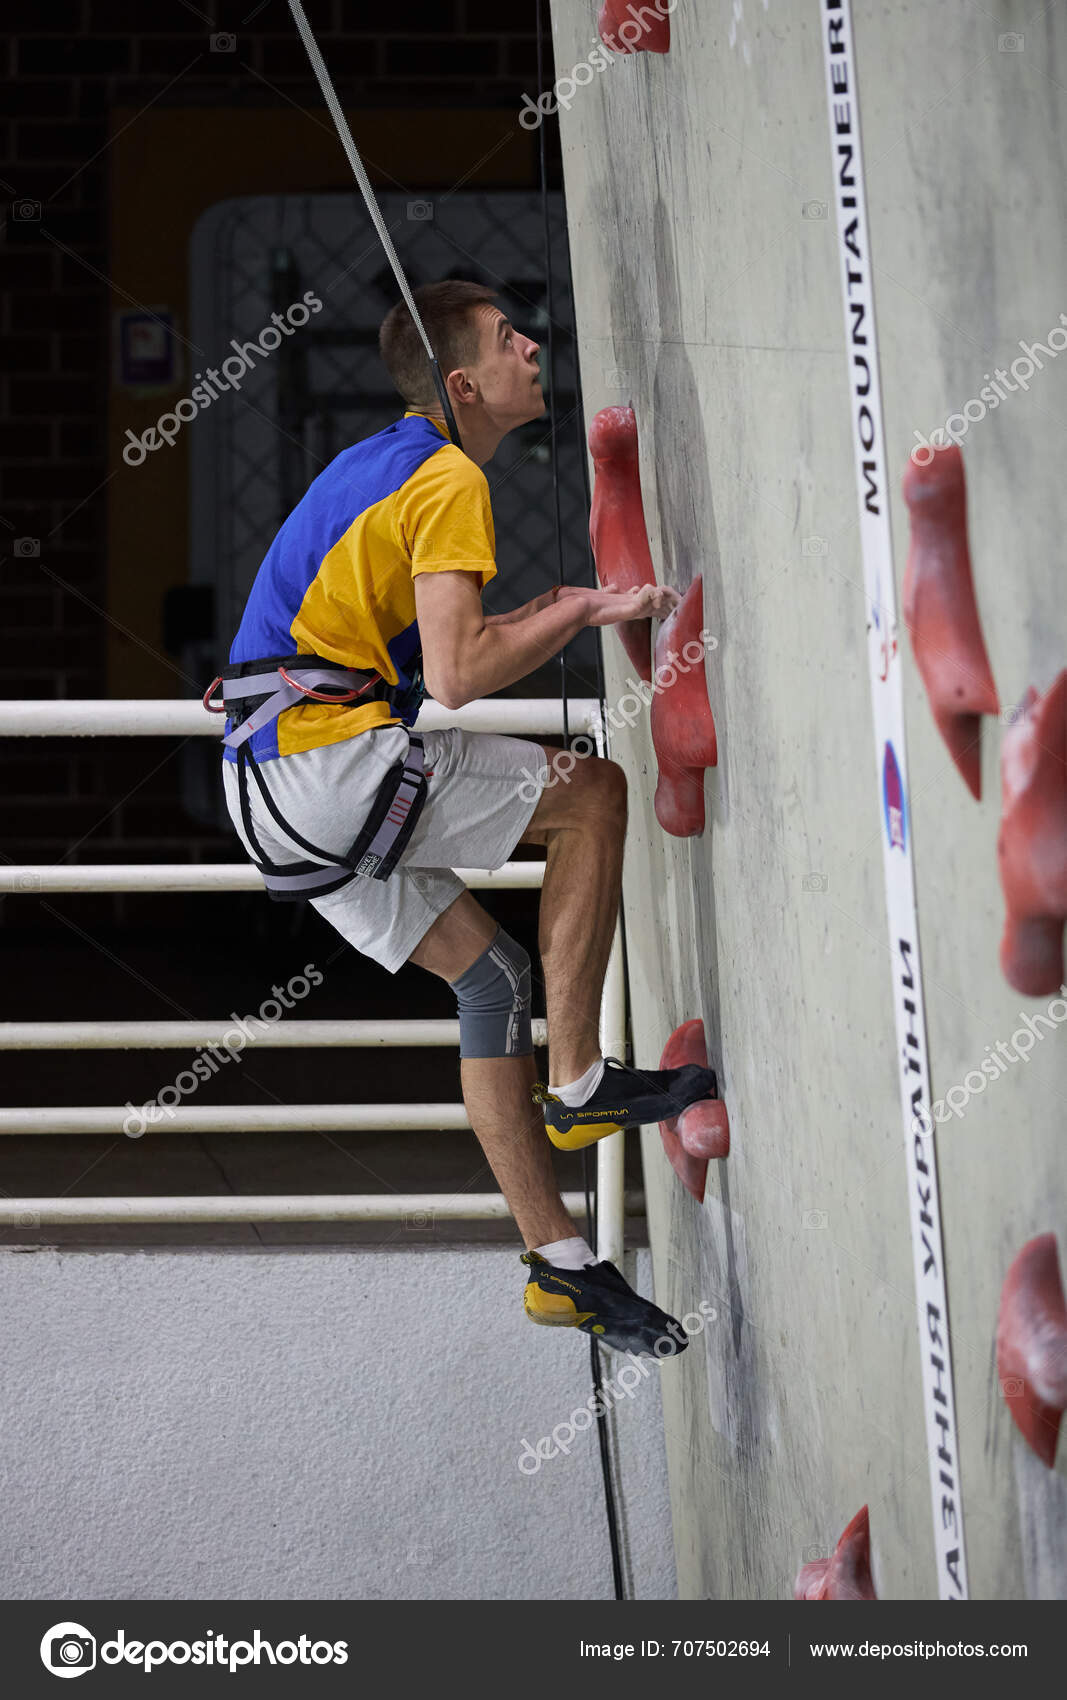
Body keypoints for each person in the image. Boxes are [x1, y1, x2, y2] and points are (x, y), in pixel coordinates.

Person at [219, 279, 716, 1355]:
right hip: (329, 763)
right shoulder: (446, 477)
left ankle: (559, 1265)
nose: (531, 345)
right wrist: (582, 610)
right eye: (506, 339)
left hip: (267, 792)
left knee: (490, 981)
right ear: (462, 384)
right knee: (591, 797)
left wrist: (576, 606)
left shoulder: (385, 463)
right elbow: (456, 673)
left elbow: (462, 633)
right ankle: (578, 1079)